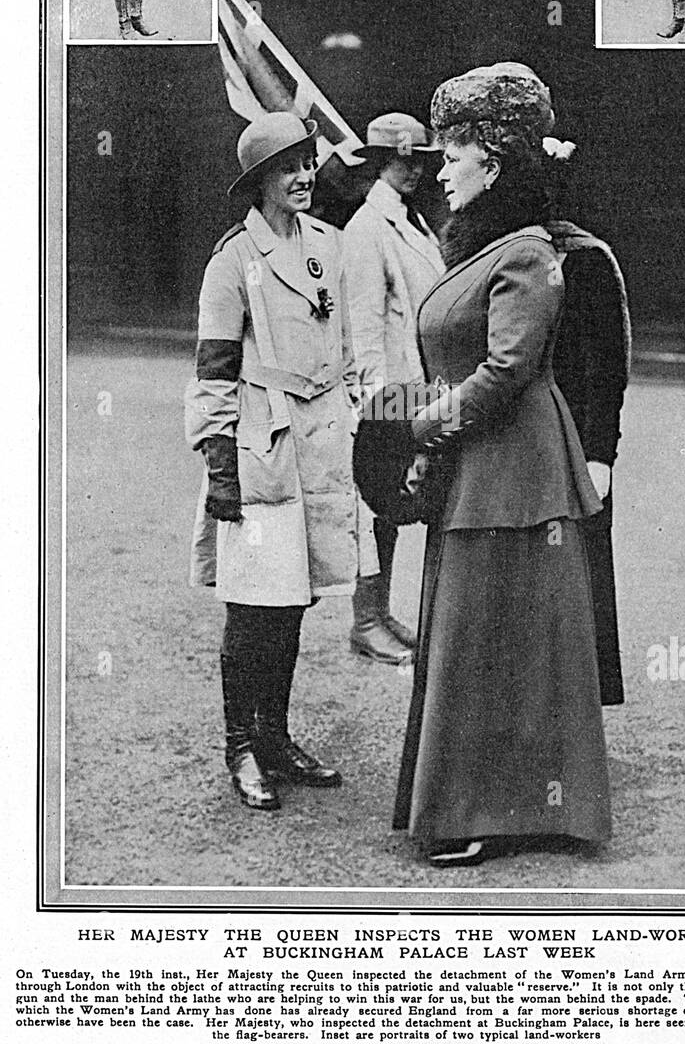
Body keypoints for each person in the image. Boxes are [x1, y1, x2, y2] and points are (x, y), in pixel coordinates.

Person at [393, 64, 612, 867]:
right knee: (486, 638)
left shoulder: (524, 252)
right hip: (480, 466)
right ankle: (487, 802)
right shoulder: (489, 248)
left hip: (513, 472)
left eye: (450, 155)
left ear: (491, 162)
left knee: (493, 640)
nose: (437, 170)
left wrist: (418, 428)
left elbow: (506, 369)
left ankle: (492, 809)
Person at [185, 113, 357, 811]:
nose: (303, 176)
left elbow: (343, 350)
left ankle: (276, 738)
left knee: (293, 604)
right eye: (287, 167)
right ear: (259, 180)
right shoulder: (232, 262)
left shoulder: (329, 246)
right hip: (260, 447)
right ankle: (240, 747)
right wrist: (219, 465)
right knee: (252, 607)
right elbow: (214, 372)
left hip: (318, 443)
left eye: (308, 162)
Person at [343, 112, 445, 664]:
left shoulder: (413, 223)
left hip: (418, 386)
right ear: (381, 162)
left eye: (421, 160)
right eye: (404, 159)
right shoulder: (367, 229)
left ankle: (381, 612)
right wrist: (377, 405)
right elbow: (363, 326)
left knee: (401, 502)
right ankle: (365, 620)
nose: (414, 170)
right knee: (378, 501)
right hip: (388, 393)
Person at [546, 204, 631, 708]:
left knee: (580, 574)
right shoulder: (501, 249)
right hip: (516, 442)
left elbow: (607, 364)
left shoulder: (584, 257)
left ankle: (577, 707)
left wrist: (600, 454)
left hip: (575, 438)